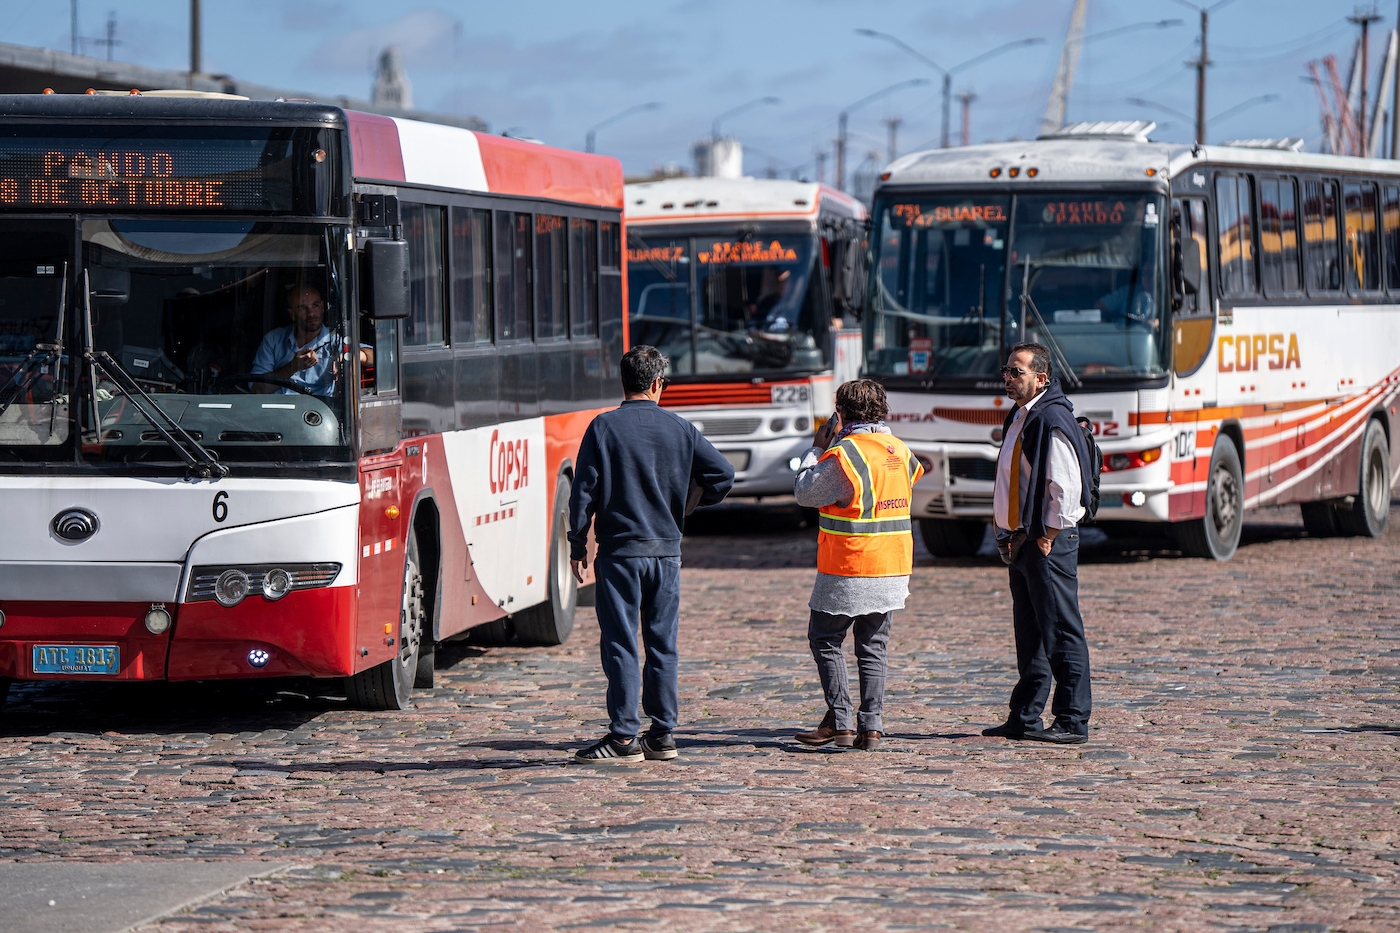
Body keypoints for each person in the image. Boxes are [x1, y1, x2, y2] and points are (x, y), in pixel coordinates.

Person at [567, 345, 735, 763]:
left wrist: (576, 543)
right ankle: (662, 735)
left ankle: (623, 737)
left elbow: (582, 493)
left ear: (624, 382)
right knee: (663, 644)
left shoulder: (603, 428)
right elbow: (723, 475)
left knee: (622, 644)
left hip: (620, 554)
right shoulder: (681, 428)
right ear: (658, 383)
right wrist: (688, 504)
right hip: (667, 553)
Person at [792, 379, 922, 752]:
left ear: (841, 413)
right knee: (873, 645)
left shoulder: (845, 453)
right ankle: (872, 728)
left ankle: (841, 721)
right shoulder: (899, 449)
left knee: (825, 638)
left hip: (849, 564)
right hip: (893, 563)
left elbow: (805, 492)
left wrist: (818, 447)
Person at [983, 342, 1095, 745]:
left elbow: (1065, 488)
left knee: (1062, 630)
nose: (1009, 379)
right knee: (1029, 630)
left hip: (1048, 541)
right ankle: (1026, 715)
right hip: (1023, 538)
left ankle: (1071, 719)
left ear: (1041, 378)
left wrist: (1047, 536)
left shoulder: (1051, 418)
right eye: (1006, 371)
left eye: (1018, 373)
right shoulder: (1022, 414)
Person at [251, 285, 370, 396]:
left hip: (319, 413)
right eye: (303, 308)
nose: (311, 313)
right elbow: (257, 390)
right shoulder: (273, 340)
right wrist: (292, 367)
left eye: (315, 305)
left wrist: (348, 358)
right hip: (278, 412)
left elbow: (376, 356)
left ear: (322, 307)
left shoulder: (335, 340)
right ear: (292, 314)